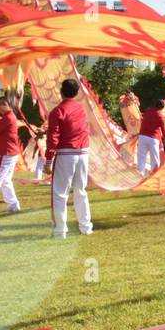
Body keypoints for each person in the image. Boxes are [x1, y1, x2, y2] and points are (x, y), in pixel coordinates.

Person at [46, 78, 93, 238]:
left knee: (60, 193)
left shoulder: (58, 111)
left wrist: (48, 159)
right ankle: (86, 227)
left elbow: (53, 136)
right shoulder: (81, 108)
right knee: (81, 191)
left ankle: (60, 230)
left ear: (61, 91)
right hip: (83, 152)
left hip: (66, 153)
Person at [137, 101, 165, 177]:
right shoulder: (161, 116)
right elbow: (163, 129)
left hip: (142, 136)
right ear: (162, 108)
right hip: (153, 138)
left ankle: (141, 174)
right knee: (155, 158)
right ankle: (154, 175)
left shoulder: (148, 110)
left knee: (141, 157)